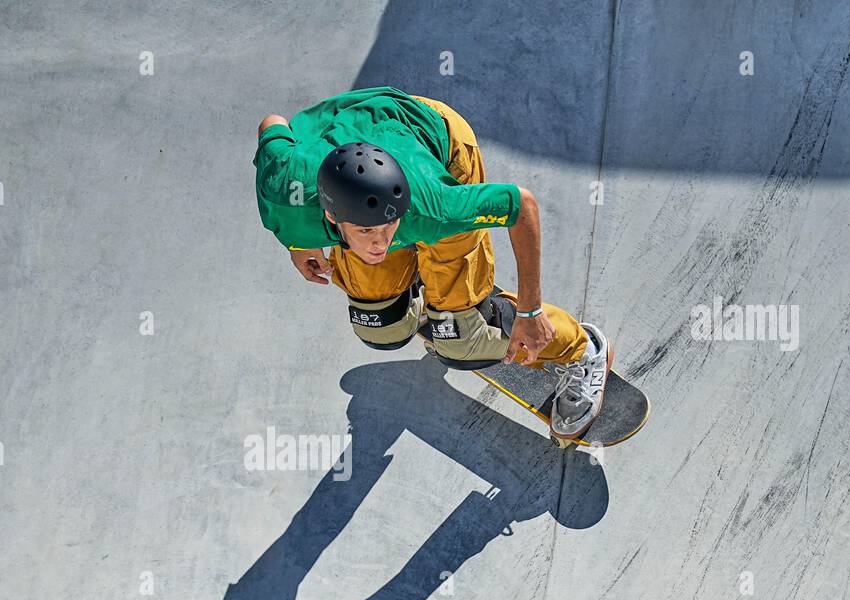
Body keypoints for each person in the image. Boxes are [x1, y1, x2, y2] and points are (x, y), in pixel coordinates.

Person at [253, 86, 611, 440]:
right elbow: (273, 123)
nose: (382, 244)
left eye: (389, 227)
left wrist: (530, 312)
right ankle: (426, 288)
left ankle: (584, 349)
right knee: (381, 328)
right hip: (358, 134)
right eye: (365, 231)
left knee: (463, 341)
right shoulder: (285, 193)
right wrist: (298, 243)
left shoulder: (435, 206)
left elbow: (522, 206)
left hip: (439, 142)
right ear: (331, 216)